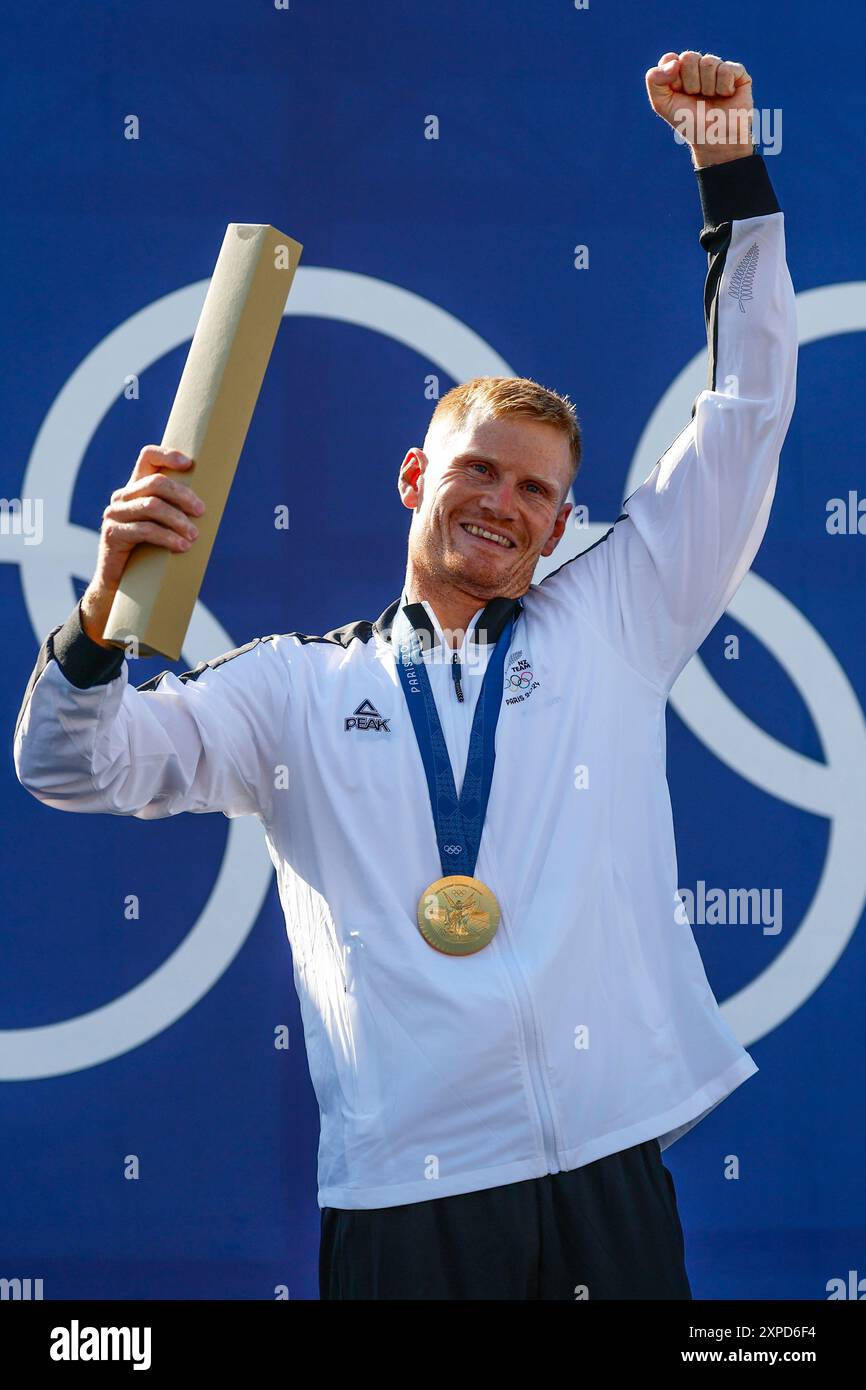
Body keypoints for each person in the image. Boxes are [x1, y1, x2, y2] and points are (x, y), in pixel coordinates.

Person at [13, 49, 797, 1300]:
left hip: (607, 1174)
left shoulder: (613, 617)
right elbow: (71, 764)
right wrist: (106, 602)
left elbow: (747, 408)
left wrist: (728, 162)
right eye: (477, 469)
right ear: (413, 479)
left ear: (558, 527)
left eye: (534, 490)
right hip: (404, 1196)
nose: (502, 502)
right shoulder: (288, 688)